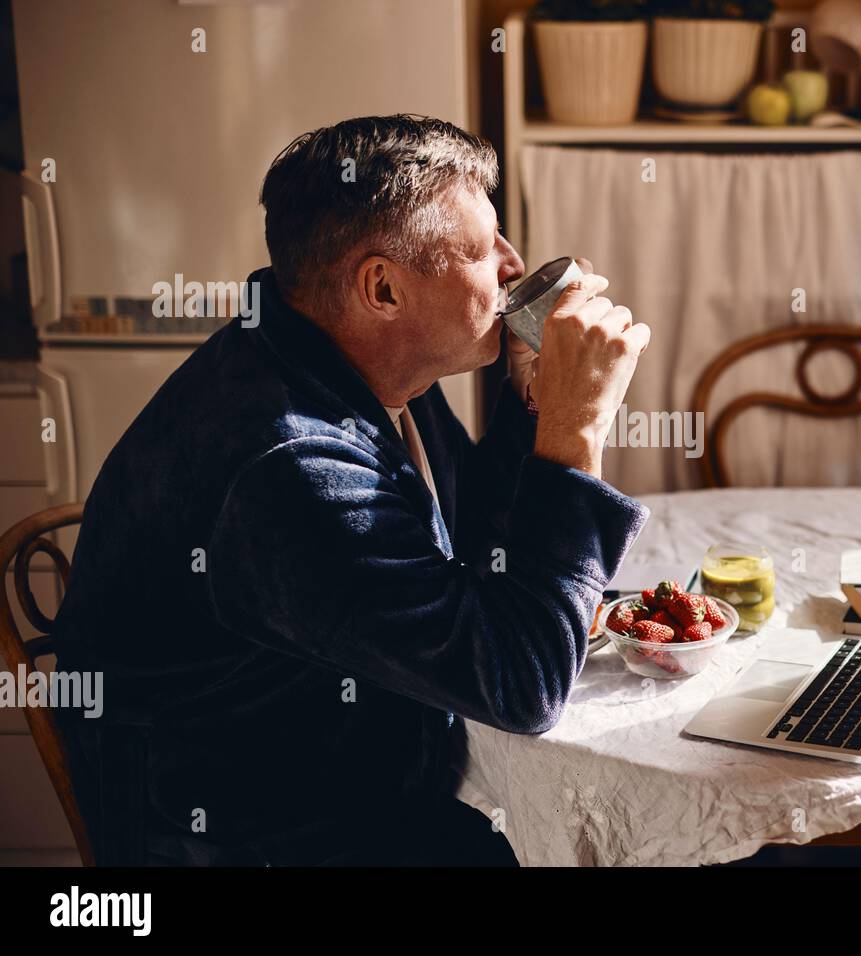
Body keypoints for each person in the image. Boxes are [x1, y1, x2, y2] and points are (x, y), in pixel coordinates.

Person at [53, 115, 651, 865]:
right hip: (261, 835)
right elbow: (522, 684)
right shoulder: (292, 467)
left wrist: (536, 412)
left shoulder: (362, 362)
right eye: (482, 247)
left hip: (360, 771)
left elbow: (468, 556)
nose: (513, 264)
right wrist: (578, 430)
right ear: (382, 287)